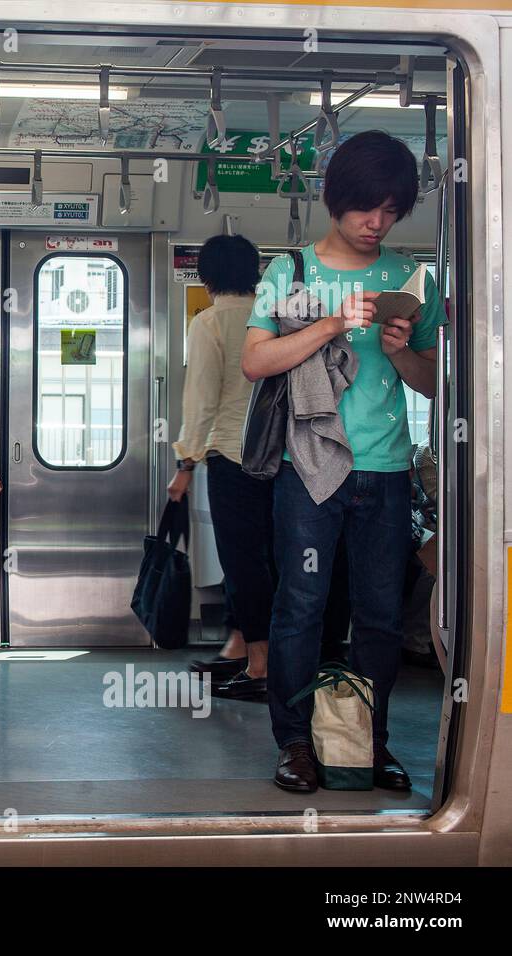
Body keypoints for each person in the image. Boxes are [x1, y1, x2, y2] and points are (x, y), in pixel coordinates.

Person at [241, 130, 444, 793]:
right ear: (336, 199)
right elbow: (255, 361)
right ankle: (296, 745)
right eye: (366, 208)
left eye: (390, 210)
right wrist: (330, 325)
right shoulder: (293, 273)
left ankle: (367, 742)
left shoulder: (409, 278)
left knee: (381, 614)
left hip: (385, 471)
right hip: (308, 471)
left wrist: (399, 350)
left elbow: (433, 383)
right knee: (301, 606)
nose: (377, 223)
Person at [170, 236, 352, 701]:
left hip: (234, 456)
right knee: (282, 560)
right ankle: (259, 653)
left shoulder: (209, 322)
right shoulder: (273, 314)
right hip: (288, 455)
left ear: (205, 276)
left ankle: (259, 667)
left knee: (243, 561)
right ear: (254, 273)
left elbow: (202, 399)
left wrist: (185, 462)